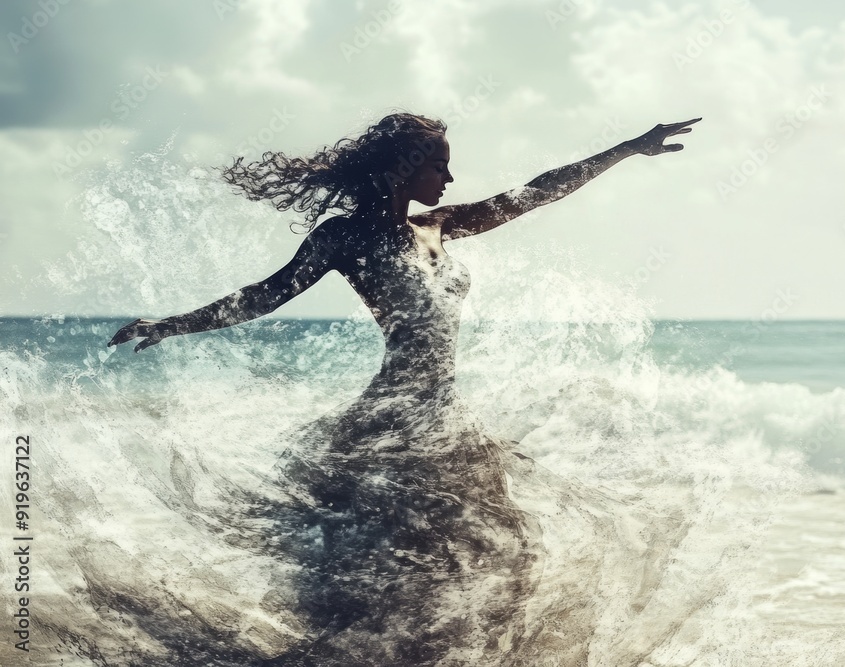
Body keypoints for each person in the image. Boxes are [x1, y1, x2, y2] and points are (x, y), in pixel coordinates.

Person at [107, 112, 701, 666]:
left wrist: (627, 149)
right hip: (396, 418)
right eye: (438, 164)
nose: (448, 176)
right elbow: (265, 295)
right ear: (402, 167)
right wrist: (172, 324)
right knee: (418, 559)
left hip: (446, 417)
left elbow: (537, 190)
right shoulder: (343, 238)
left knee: (506, 549)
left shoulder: (439, 226)